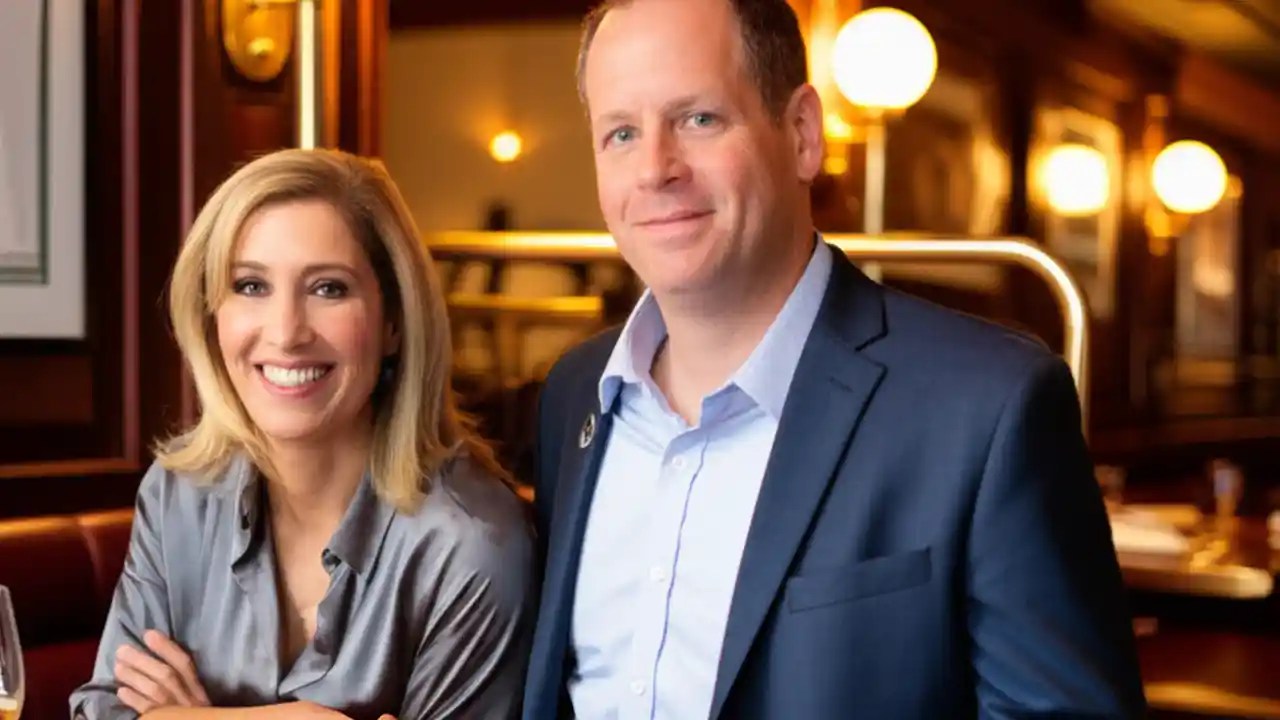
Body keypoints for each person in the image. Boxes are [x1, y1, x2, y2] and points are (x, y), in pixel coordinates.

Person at [523, 0, 1145, 718]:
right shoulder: (574, 395)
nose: (655, 168)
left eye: (698, 119)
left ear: (801, 135)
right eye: (621, 133)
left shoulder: (988, 408)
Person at [70, 149, 534, 719]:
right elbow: (101, 712)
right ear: (211, 314)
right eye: (250, 285)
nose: (286, 333)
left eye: (328, 289)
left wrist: (185, 716)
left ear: (394, 322)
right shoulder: (179, 497)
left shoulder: (471, 543)